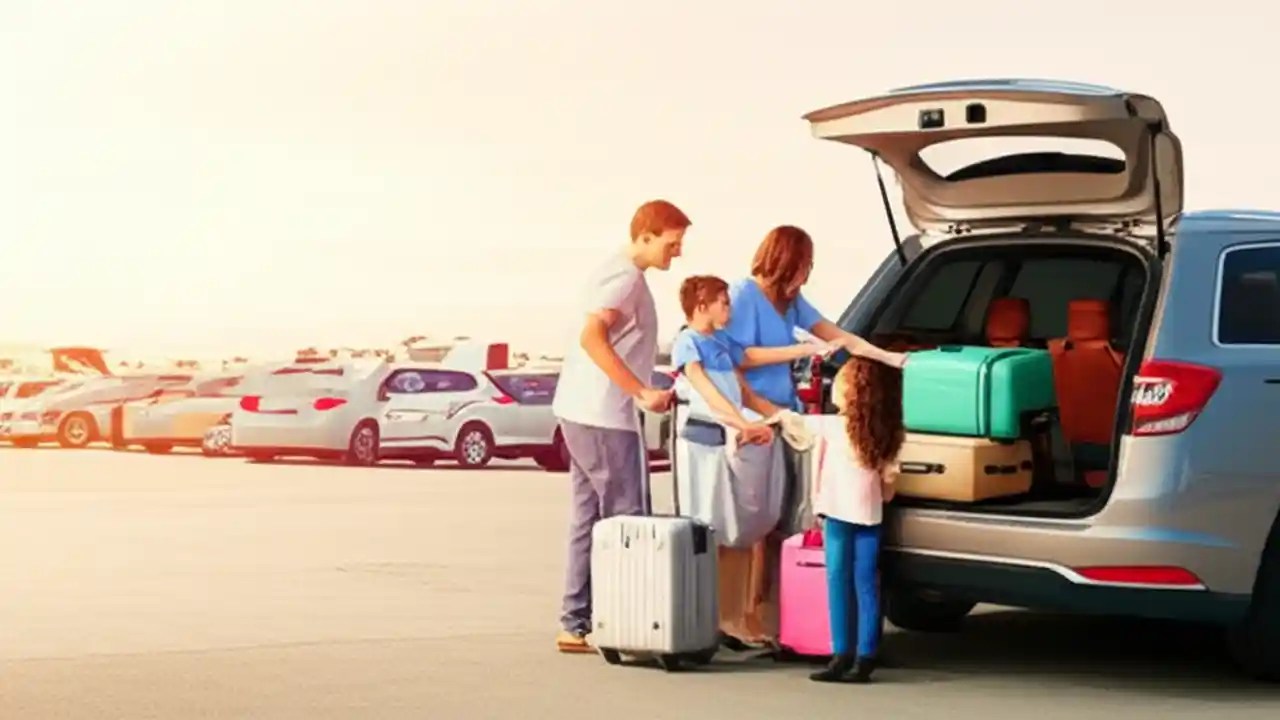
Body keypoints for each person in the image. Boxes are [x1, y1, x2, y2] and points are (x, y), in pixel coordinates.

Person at [717, 225, 906, 646]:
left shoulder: (791, 302)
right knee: (752, 520)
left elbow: (839, 336)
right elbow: (737, 359)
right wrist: (797, 358)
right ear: (785, 260)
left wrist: (888, 357)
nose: (808, 273)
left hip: (786, 416)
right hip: (756, 417)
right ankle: (737, 617)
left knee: (781, 516)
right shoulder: (743, 296)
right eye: (805, 264)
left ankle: (766, 613)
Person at [550, 199, 690, 654]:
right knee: (628, 524)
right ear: (646, 236)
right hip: (604, 418)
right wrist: (640, 391)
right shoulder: (625, 277)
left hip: (582, 412)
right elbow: (593, 336)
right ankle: (628, 624)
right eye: (672, 243)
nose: (678, 252)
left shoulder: (617, 272)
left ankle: (576, 623)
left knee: (589, 520)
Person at [670, 275, 831, 649]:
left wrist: (780, 417)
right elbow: (708, 393)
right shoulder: (688, 343)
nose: (730, 308)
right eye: (723, 303)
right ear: (701, 305)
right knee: (715, 527)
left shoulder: (722, 342)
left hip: (735, 438)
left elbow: (745, 391)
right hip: (708, 442)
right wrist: (742, 423)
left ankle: (738, 617)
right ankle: (715, 618)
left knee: (742, 527)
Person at [809, 356, 904, 684]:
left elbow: (799, 434)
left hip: (836, 511)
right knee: (866, 583)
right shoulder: (884, 433)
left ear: (851, 393)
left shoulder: (832, 427)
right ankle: (866, 655)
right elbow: (890, 485)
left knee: (837, 579)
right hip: (870, 514)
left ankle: (841, 653)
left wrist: (815, 504)